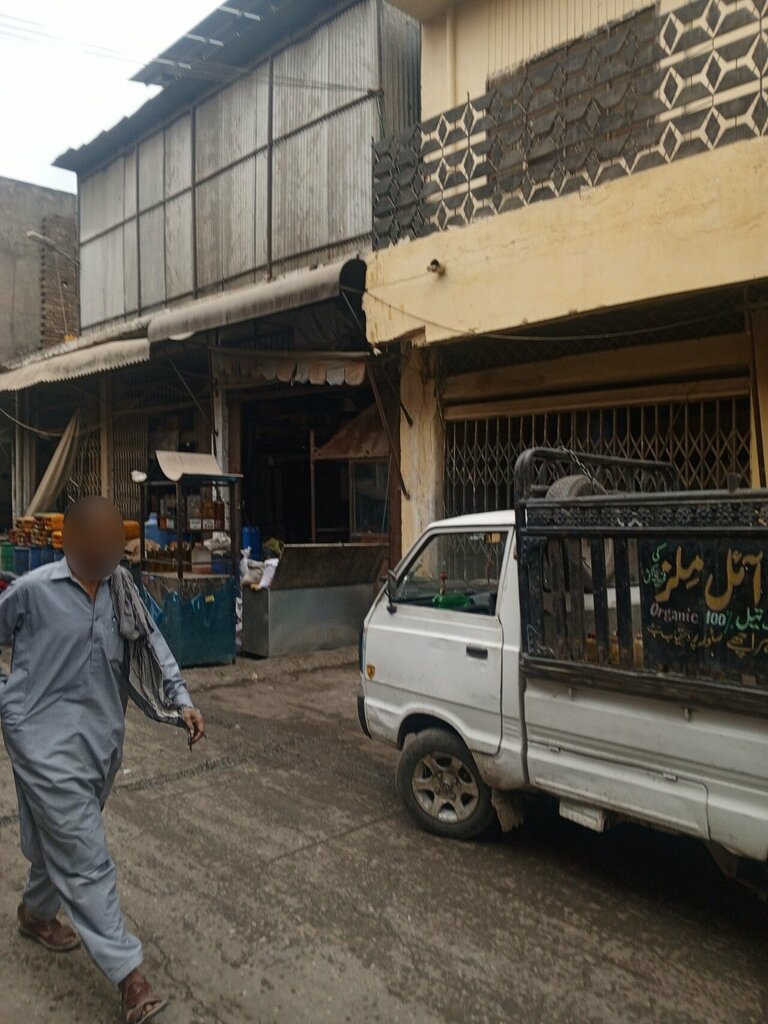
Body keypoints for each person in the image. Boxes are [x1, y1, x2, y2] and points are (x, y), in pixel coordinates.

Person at [0, 496, 205, 1023]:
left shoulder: (124, 592)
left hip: (101, 742)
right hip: (40, 743)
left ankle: (36, 912)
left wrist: (180, 699)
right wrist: (9, 702)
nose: (108, 548)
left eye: (116, 540)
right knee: (86, 852)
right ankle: (129, 977)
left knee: (62, 835)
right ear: (68, 540)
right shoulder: (31, 592)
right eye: (96, 539)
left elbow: (153, 644)